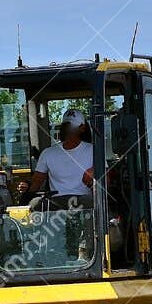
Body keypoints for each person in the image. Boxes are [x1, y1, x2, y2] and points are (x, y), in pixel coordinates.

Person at [22, 109, 96, 262]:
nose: (67, 129)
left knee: (91, 201)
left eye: (71, 126)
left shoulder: (93, 151)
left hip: (83, 198)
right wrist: (25, 195)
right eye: (65, 125)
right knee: (36, 203)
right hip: (56, 200)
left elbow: (106, 180)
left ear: (82, 128)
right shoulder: (49, 153)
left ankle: (86, 251)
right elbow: (36, 182)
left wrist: (97, 172)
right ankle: (44, 253)